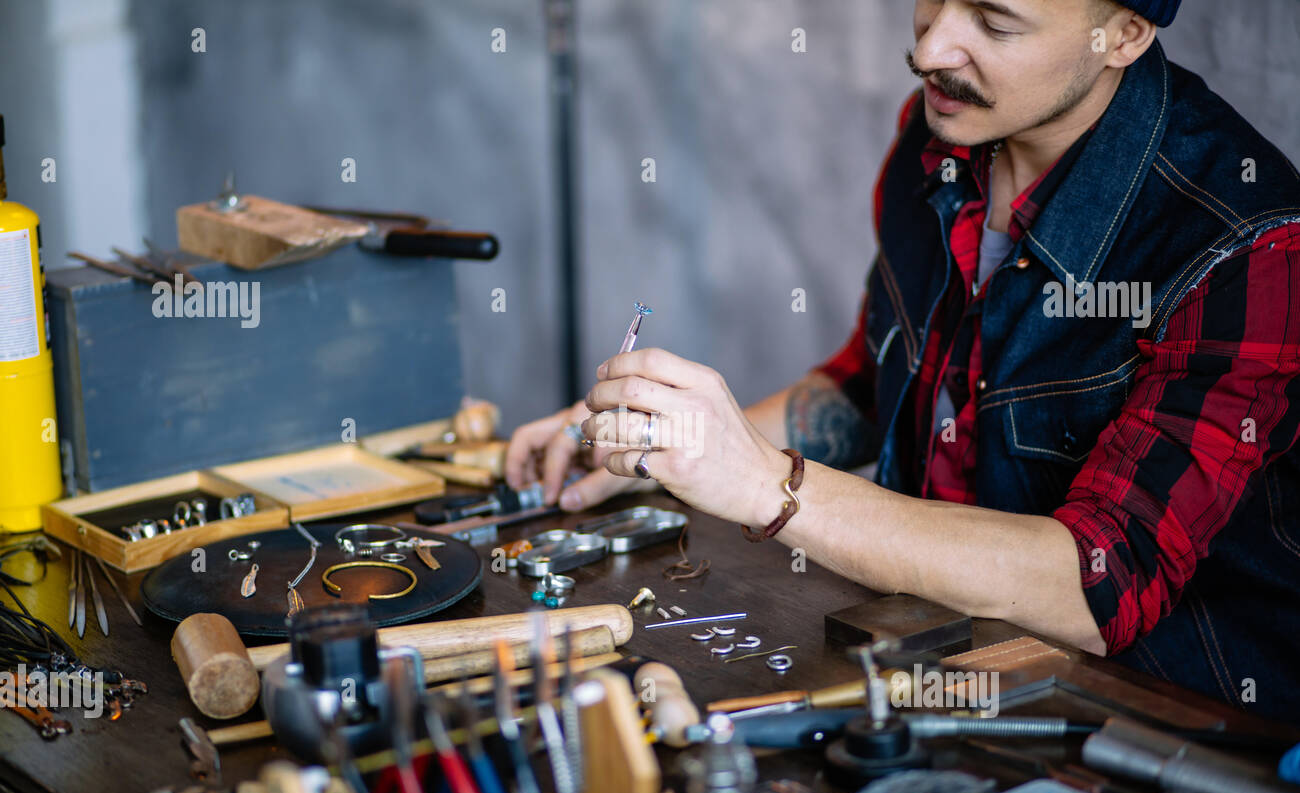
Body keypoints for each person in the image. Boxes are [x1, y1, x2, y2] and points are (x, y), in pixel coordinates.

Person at [505, 0, 1300, 723]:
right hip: (942, 671)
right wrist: (667, 444)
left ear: (1123, 34)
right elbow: (874, 384)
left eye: (995, 21)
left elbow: (1097, 584)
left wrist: (762, 484)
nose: (932, 48)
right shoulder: (943, 139)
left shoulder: (1251, 248)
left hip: (1162, 735)